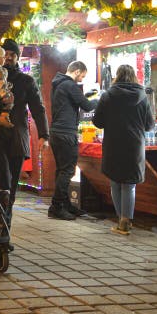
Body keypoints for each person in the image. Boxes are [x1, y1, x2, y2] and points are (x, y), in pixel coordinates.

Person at [0, 38, 50, 229]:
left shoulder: (26, 81)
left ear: (17, 57)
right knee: (2, 181)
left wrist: (44, 134)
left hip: (16, 137)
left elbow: (38, 108)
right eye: (5, 54)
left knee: (11, 186)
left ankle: (3, 227)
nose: (8, 58)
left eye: (12, 55)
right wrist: (0, 104)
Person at [92, 65, 154, 235]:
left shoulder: (108, 96)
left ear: (117, 76)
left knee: (115, 181)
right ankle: (126, 219)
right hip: (134, 145)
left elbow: (97, 121)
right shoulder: (142, 96)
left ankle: (121, 219)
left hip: (113, 143)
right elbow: (149, 124)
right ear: (134, 76)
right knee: (129, 184)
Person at [48, 60, 97, 220]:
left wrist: (86, 96)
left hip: (56, 132)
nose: (82, 79)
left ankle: (65, 204)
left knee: (62, 170)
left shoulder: (59, 83)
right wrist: (102, 98)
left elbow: (74, 102)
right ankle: (56, 207)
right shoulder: (69, 85)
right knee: (68, 170)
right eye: (82, 76)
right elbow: (88, 106)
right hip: (66, 133)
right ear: (77, 71)